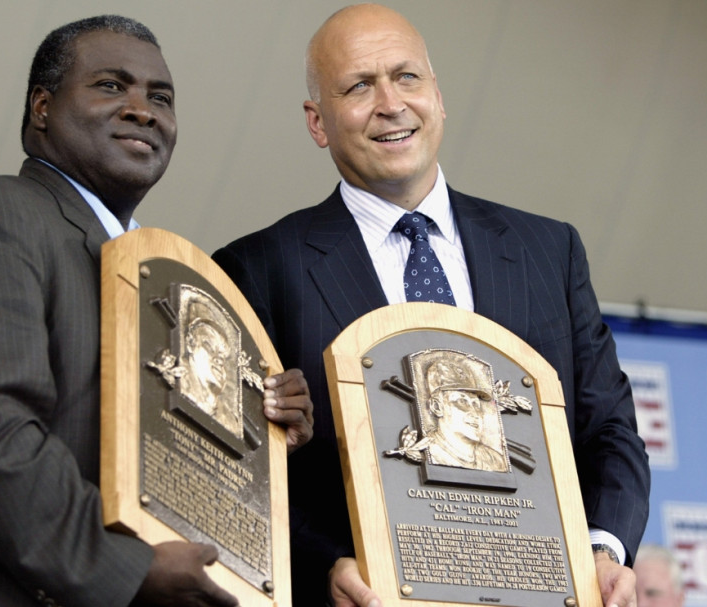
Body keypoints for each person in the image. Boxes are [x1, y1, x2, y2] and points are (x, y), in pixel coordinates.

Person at [0, 15, 313, 607]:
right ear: (42, 107)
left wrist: (259, 437)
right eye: (111, 85)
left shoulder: (161, 280)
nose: (143, 110)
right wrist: (127, 568)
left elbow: (162, 469)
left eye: (161, 98)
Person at [212, 4, 650, 607]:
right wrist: (322, 564)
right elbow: (239, 464)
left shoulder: (549, 250)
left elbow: (608, 430)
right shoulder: (258, 269)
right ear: (318, 123)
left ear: (438, 98)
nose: (390, 103)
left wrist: (601, 551)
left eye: (406, 77)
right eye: (358, 86)